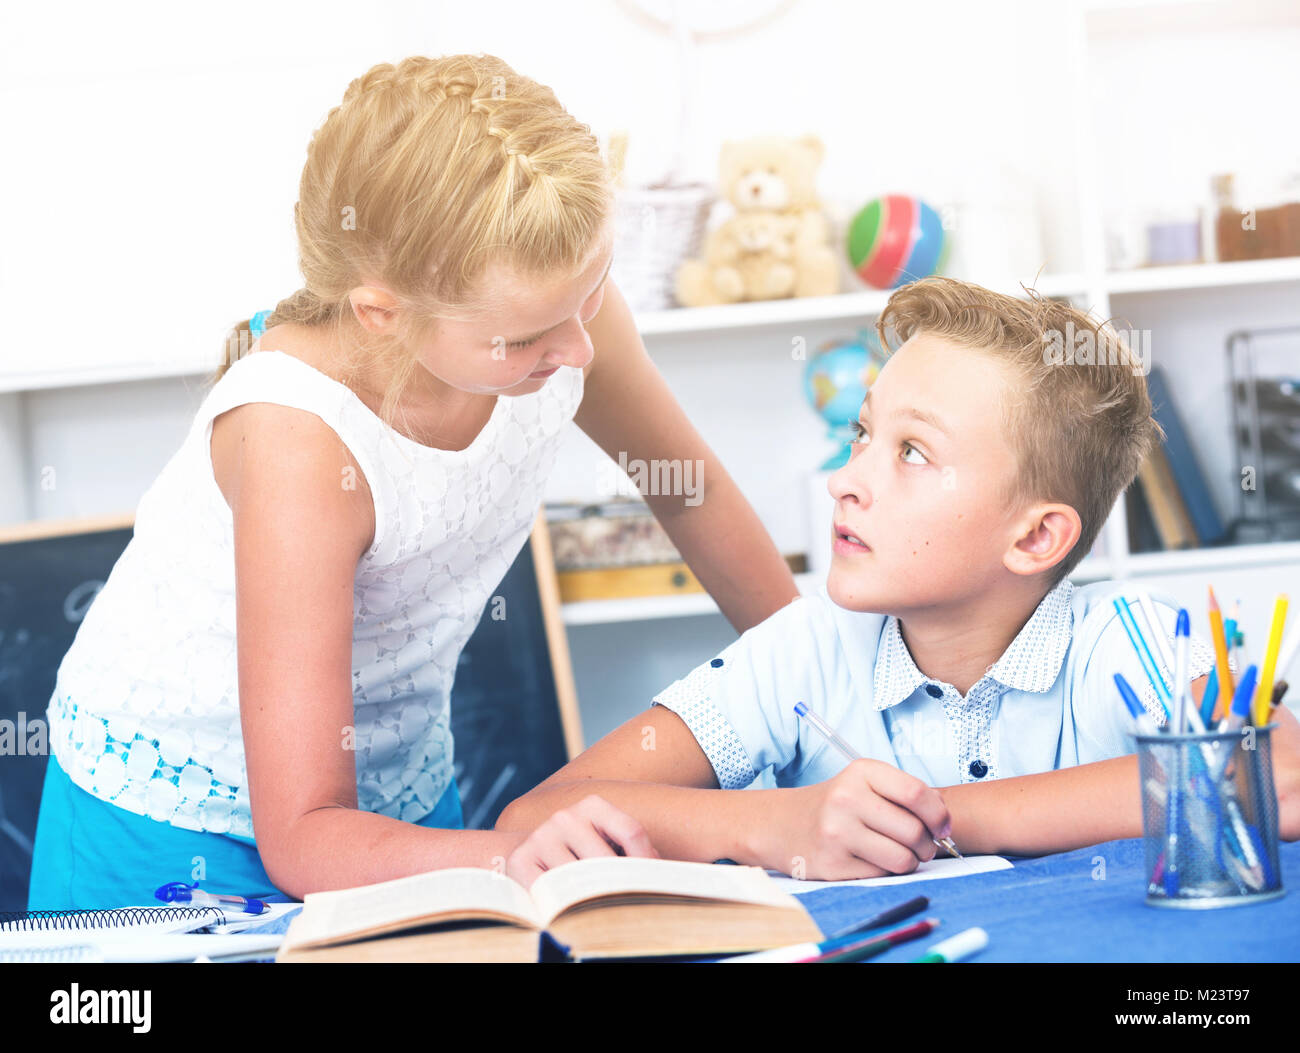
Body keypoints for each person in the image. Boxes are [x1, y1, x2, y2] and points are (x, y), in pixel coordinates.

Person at [28, 53, 799, 909]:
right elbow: (306, 831)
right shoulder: (301, 438)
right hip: (177, 825)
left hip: (397, 801)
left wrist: (821, 686)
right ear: (383, 315)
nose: (580, 352)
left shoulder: (560, 307)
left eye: (592, 295)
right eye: (527, 337)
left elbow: (687, 488)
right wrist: (517, 857)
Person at [498, 276, 1300, 879]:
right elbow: (539, 812)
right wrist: (782, 822)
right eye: (861, 433)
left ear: (1035, 538)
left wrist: (941, 819)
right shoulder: (803, 649)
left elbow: (1281, 771)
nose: (843, 480)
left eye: (913, 452)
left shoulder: (1124, 639)